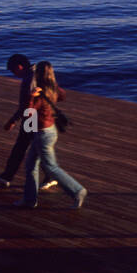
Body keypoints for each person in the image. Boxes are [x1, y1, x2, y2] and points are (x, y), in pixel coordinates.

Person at [15, 62, 86, 209]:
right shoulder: (52, 88)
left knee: (51, 167)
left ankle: (77, 190)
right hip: (49, 130)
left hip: (43, 133)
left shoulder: (39, 93)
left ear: (38, 74)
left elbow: (29, 112)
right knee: (31, 166)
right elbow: (62, 96)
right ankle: (29, 200)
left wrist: (32, 97)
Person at [0, 53, 57, 191]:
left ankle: (9, 177)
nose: (13, 73)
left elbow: (25, 105)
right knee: (32, 148)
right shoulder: (37, 73)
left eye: (13, 70)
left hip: (32, 118)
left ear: (19, 66)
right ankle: (8, 176)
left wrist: (13, 120)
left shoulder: (29, 79)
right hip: (37, 117)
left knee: (27, 148)